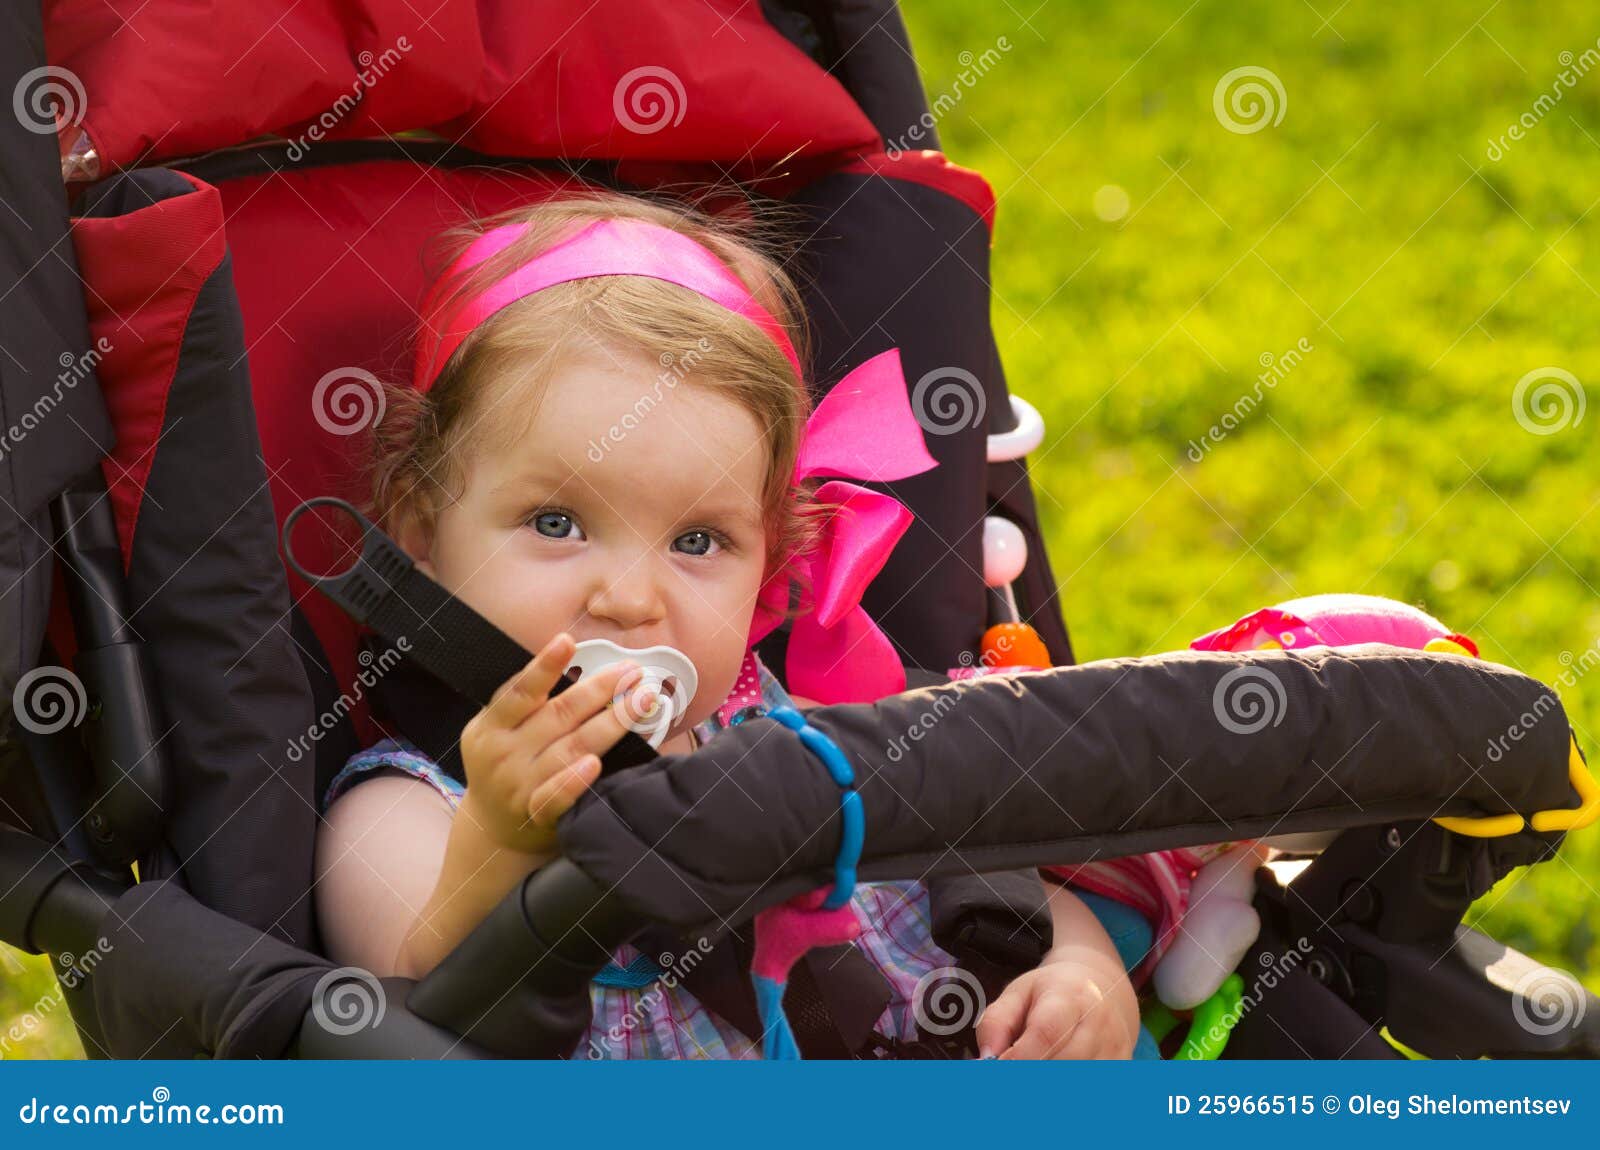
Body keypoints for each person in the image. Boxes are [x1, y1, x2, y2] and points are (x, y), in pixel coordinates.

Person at [313, 189, 1139, 1059]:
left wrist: (1085, 977)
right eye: (556, 523)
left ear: (772, 571)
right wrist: (503, 844)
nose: (630, 599)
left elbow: (1002, 886)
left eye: (698, 541)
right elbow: (426, 1014)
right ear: (419, 530)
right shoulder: (404, 809)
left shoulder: (809, 737)